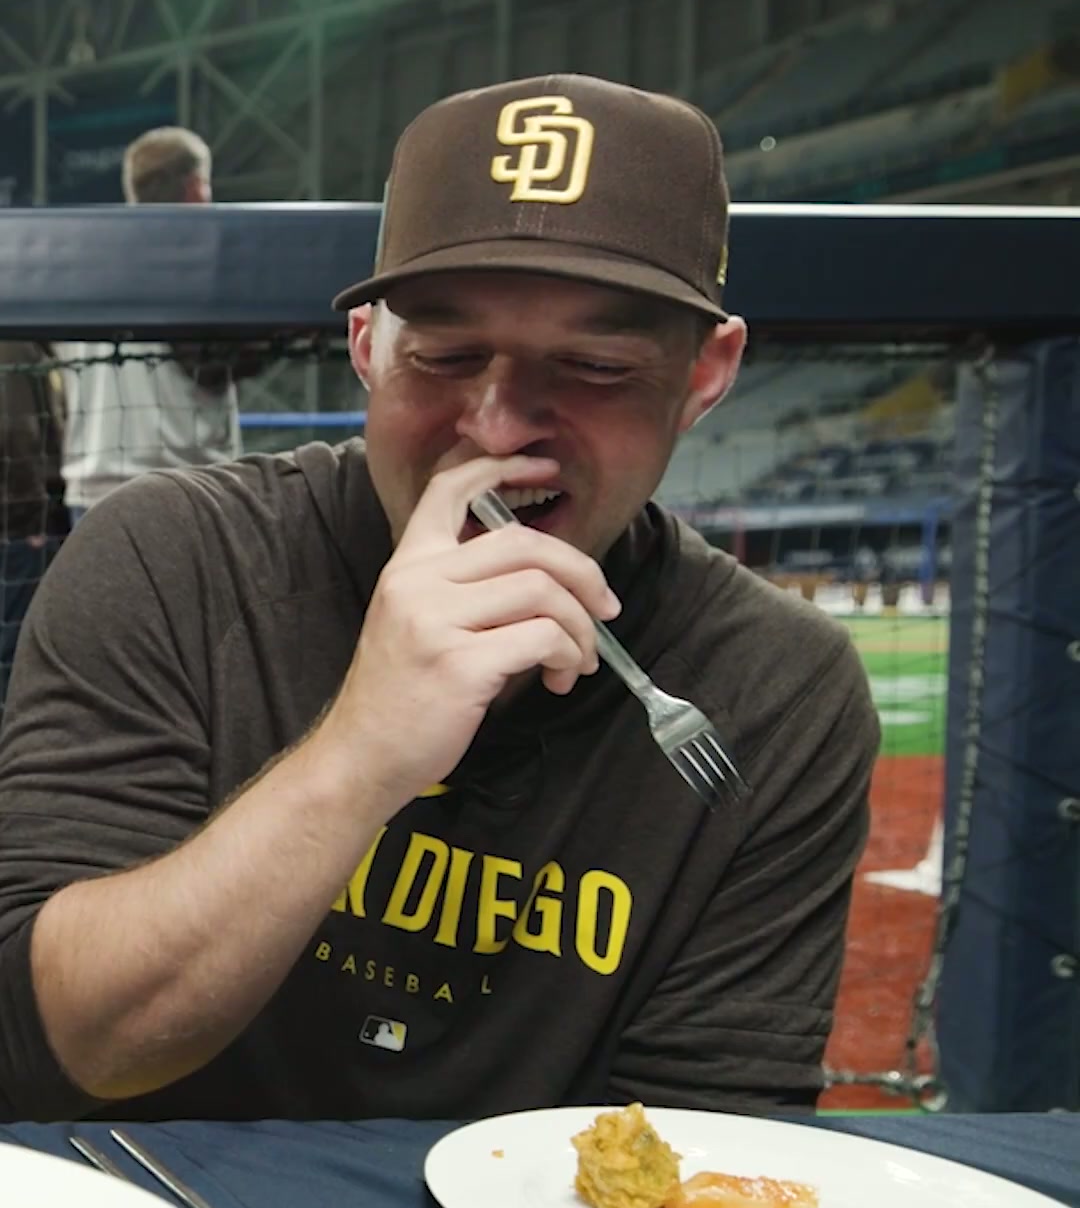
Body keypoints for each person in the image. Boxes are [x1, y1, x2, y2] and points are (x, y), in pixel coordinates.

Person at [0, 74, 878, 1125]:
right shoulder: (171, 558)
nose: (498, 427)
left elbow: (700, 1147)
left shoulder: (778, 690)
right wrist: (359, 754)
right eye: (446, 356)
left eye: (596, 366)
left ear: (705, 374)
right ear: (367, 346)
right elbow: (52, 1047)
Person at [59, 127, 244, 521]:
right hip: (186, 486)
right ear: (196, 187)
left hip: (93, 486)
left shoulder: (74, 261)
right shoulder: (190, 263)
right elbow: (214, 365)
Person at [0, 341, 66, 705]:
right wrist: (32, 517)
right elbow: (17, 432)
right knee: (16, 651)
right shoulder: (14, 345)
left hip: (19, 519)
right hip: (19, 527)